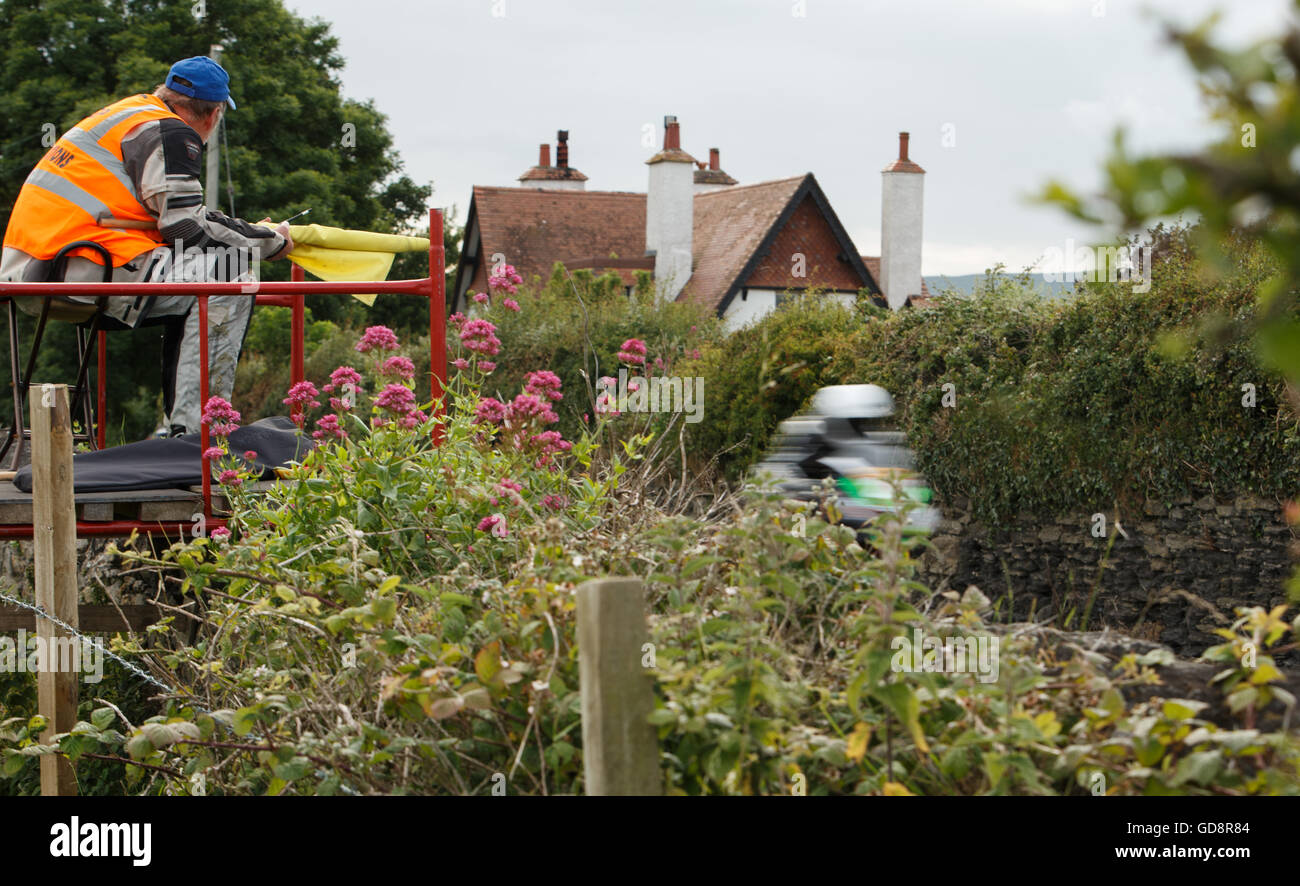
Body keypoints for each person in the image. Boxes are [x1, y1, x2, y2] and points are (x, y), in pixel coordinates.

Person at [0, 56, 294, 437]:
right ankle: (200, 433)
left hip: (31, 269)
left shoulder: (128, 113)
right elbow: (185, 225)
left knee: (199, 281)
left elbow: (162, 218)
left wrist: (246, 232)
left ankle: (182, 427)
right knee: (231, 274)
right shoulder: (170, 131)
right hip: (83, 265)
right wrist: (270, 242)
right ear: (214, 114)